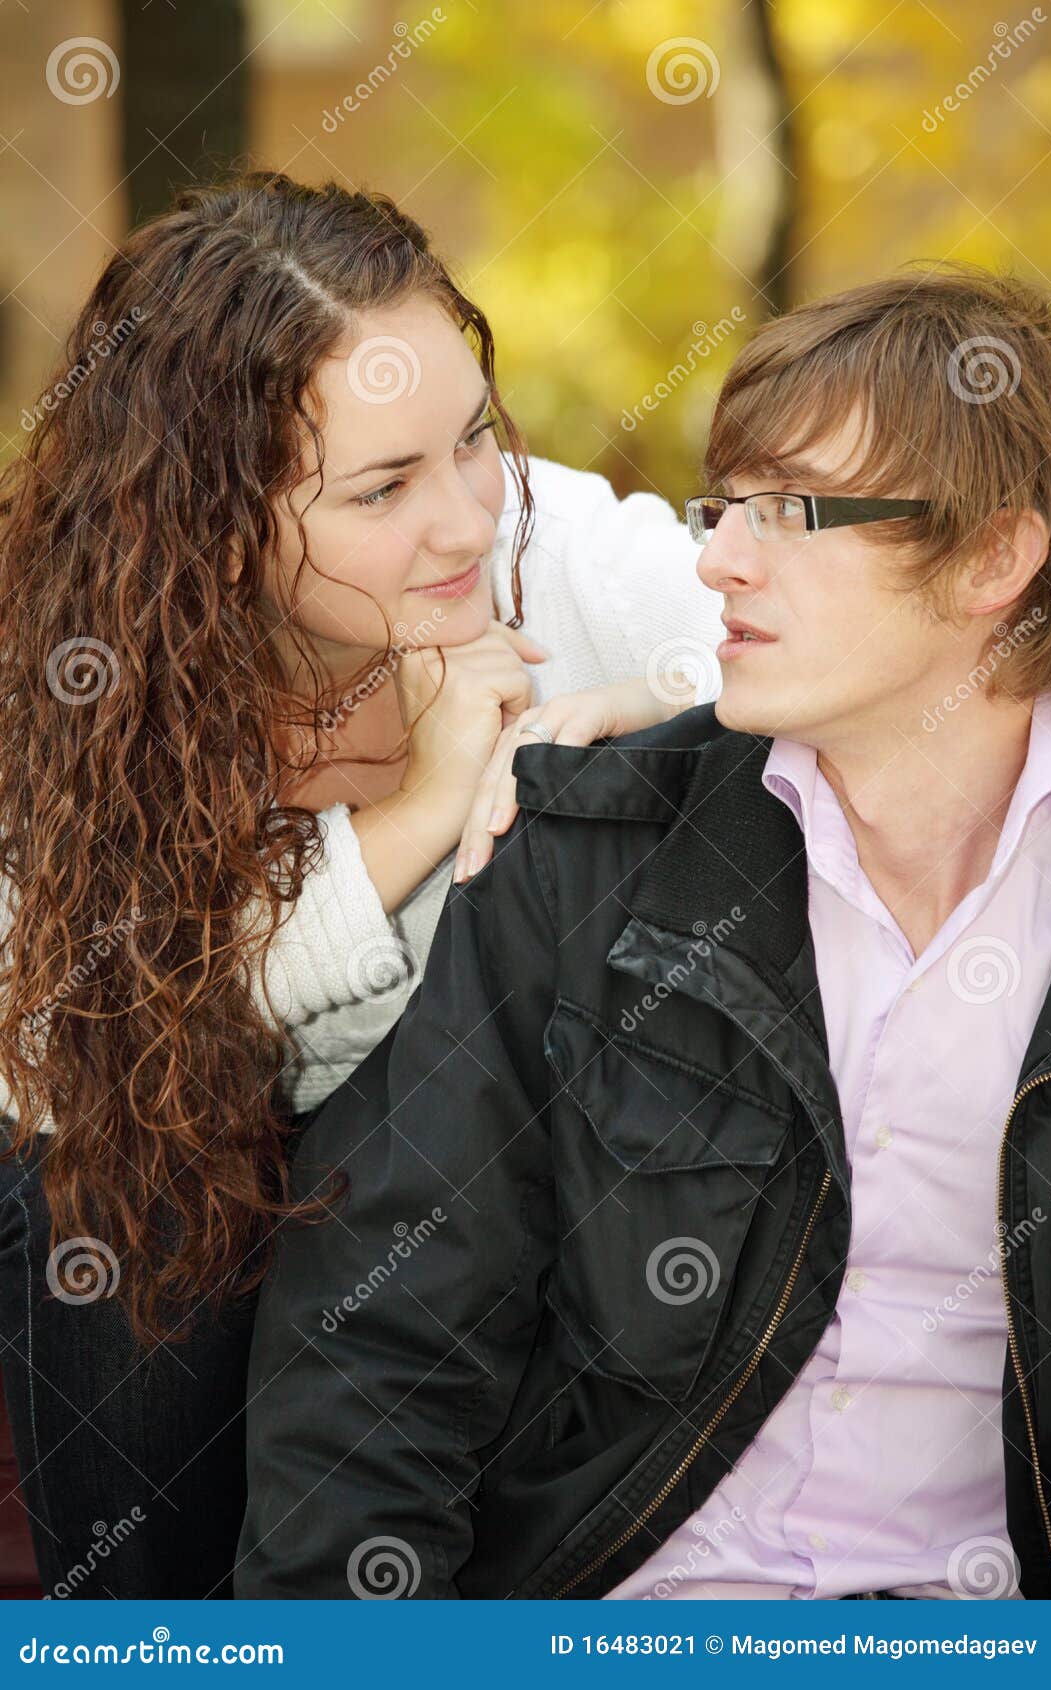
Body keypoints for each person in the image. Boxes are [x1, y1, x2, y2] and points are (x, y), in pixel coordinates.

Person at [237, 263, 1051, 1602]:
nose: (719, 559)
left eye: (789, 513)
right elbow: (379, 1350)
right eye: (723, 506)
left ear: (994, 557)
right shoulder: (584, 852)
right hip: (636, 1618)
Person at [0, 171, 726, 1597]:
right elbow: (45, 1053)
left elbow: (829, 637)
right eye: (384, 489)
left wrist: (659, 702)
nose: (465, 522)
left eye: (474, 440)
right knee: (103, 1173)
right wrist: (415, 813)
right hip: (202, 1248)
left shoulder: (552, 550)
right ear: (211, 523)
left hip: (507, 1220)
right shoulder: (61, 675)